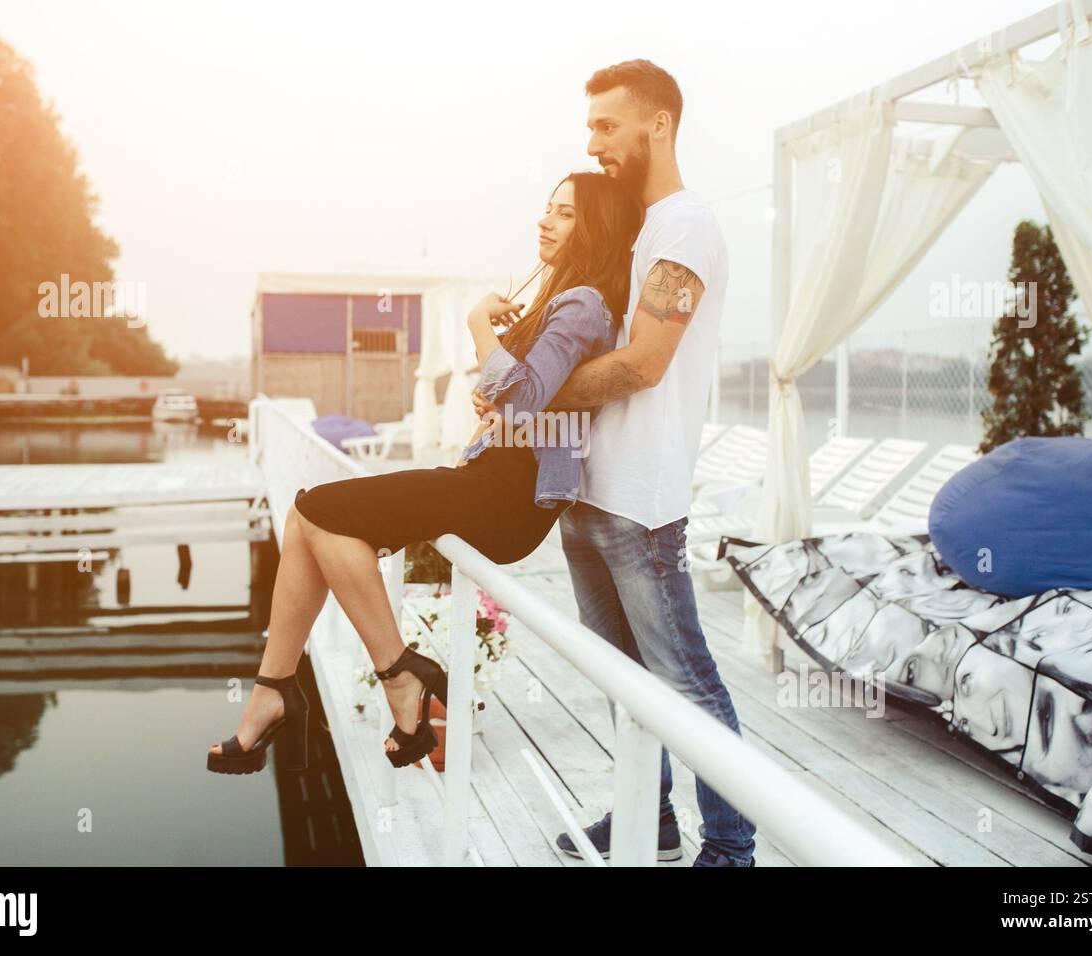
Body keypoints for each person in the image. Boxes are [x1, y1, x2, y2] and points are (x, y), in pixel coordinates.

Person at [206, 170, 643, 775]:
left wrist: (477, 326)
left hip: (507, 499)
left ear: (595, 227)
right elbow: (526, 398)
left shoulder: (584, 303)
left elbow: (521, 397)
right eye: (547, 209)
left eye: (565, 213)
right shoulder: (566, 300)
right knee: (306, 521)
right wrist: (495, 402)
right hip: (489, 482)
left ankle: (396, 676)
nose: (545, 220)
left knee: (315, 510)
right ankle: (274, 688)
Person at [477, 59, 758, 867]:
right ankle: (653, 818)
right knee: (620, 679)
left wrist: (530, 392)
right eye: (591, 125)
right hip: (587, 491)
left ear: (657, 125)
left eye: (607, 125)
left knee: (685, 683)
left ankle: (732, 848)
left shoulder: (686, 226)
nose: (593, 141)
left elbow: (643, 364)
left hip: (643, 503)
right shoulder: (640, 229)